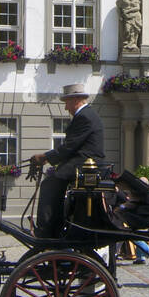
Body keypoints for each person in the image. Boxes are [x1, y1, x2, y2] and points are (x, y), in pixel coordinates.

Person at [31, 83, 106, 239]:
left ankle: (48, 229)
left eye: (67, 102)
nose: (66, 108)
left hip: (84, 162)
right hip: (82, 161)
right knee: (53, 179)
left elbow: (70, 146)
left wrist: (45, 157)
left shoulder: (84, 116)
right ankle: (55, 225)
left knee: (50, 182)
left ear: (76, 99)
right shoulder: (86, 115)